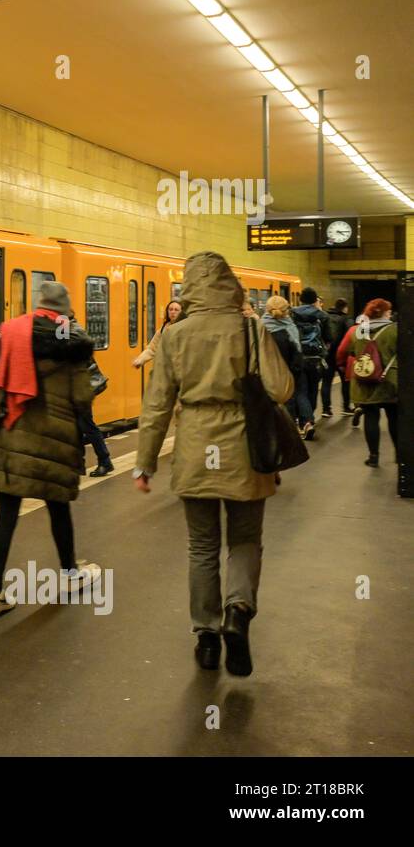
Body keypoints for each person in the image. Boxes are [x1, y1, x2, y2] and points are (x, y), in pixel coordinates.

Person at [134, 252, 294, 677]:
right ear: (231, 285)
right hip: (245, 447)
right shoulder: (249, 327)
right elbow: (280, 390)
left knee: (201, 546)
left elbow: (157, 405)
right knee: (244, 539)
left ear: (188, 288)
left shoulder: (174, 334)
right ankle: (237, 613)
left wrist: (144, 463)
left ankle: (206, 639)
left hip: (195, 444)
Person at [0, 281, 102, 619]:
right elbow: (83, 397)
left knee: (5, 516)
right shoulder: (72, 346)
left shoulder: (13, 334)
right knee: (58, 509)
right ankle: (70, 573)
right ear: (65, 310)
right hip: (54, 439)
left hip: (13, 432)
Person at [336, 299, 398, 468]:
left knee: (371, 417)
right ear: (385, 313)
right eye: (389, 311)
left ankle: (373, 456)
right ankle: (400, 455)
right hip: (389, 381)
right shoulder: (394, 330)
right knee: (394, 417)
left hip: (365, 381)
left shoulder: (359, 330)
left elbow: (348, 351)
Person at [70, 311, 113, 476]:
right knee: (76, 425)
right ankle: (78, 464)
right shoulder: (67, 327)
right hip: (76, 385)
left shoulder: (71, 328)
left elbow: (76, 353)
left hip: (81, 386)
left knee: (86, 424)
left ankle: (105, 461)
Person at [261, 296, 305, 437]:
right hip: (285, 379)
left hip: (263, 378)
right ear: (287, 311)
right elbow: (297, 360)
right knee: (286, 415)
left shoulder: (258, 328)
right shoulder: (289, 330)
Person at [289, 287, 331, 437]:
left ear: (300, 299)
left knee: (301, 391)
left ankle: (306, 422)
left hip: (299, 358)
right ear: (315, 300)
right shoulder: (323, 316)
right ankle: (309, 420)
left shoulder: (292, 314)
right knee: (313, 390)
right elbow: (329, 338)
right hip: (316, 359)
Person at [132, 300, 184, 368]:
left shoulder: (187, 328)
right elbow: (151, 349)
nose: (172, 312)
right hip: (167, 369)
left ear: (182, 312)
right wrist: (140, 360)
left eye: (176, 310)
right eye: (170, 309)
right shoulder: (162, 330)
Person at [323, 298, 352, 417]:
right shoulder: (346, 320)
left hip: (327, 355)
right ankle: (346, 407)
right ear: (345, 307)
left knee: (326, 382)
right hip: (341, 356)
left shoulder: (325, 317)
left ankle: (326, 409)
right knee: (346, 382)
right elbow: (349, 339)